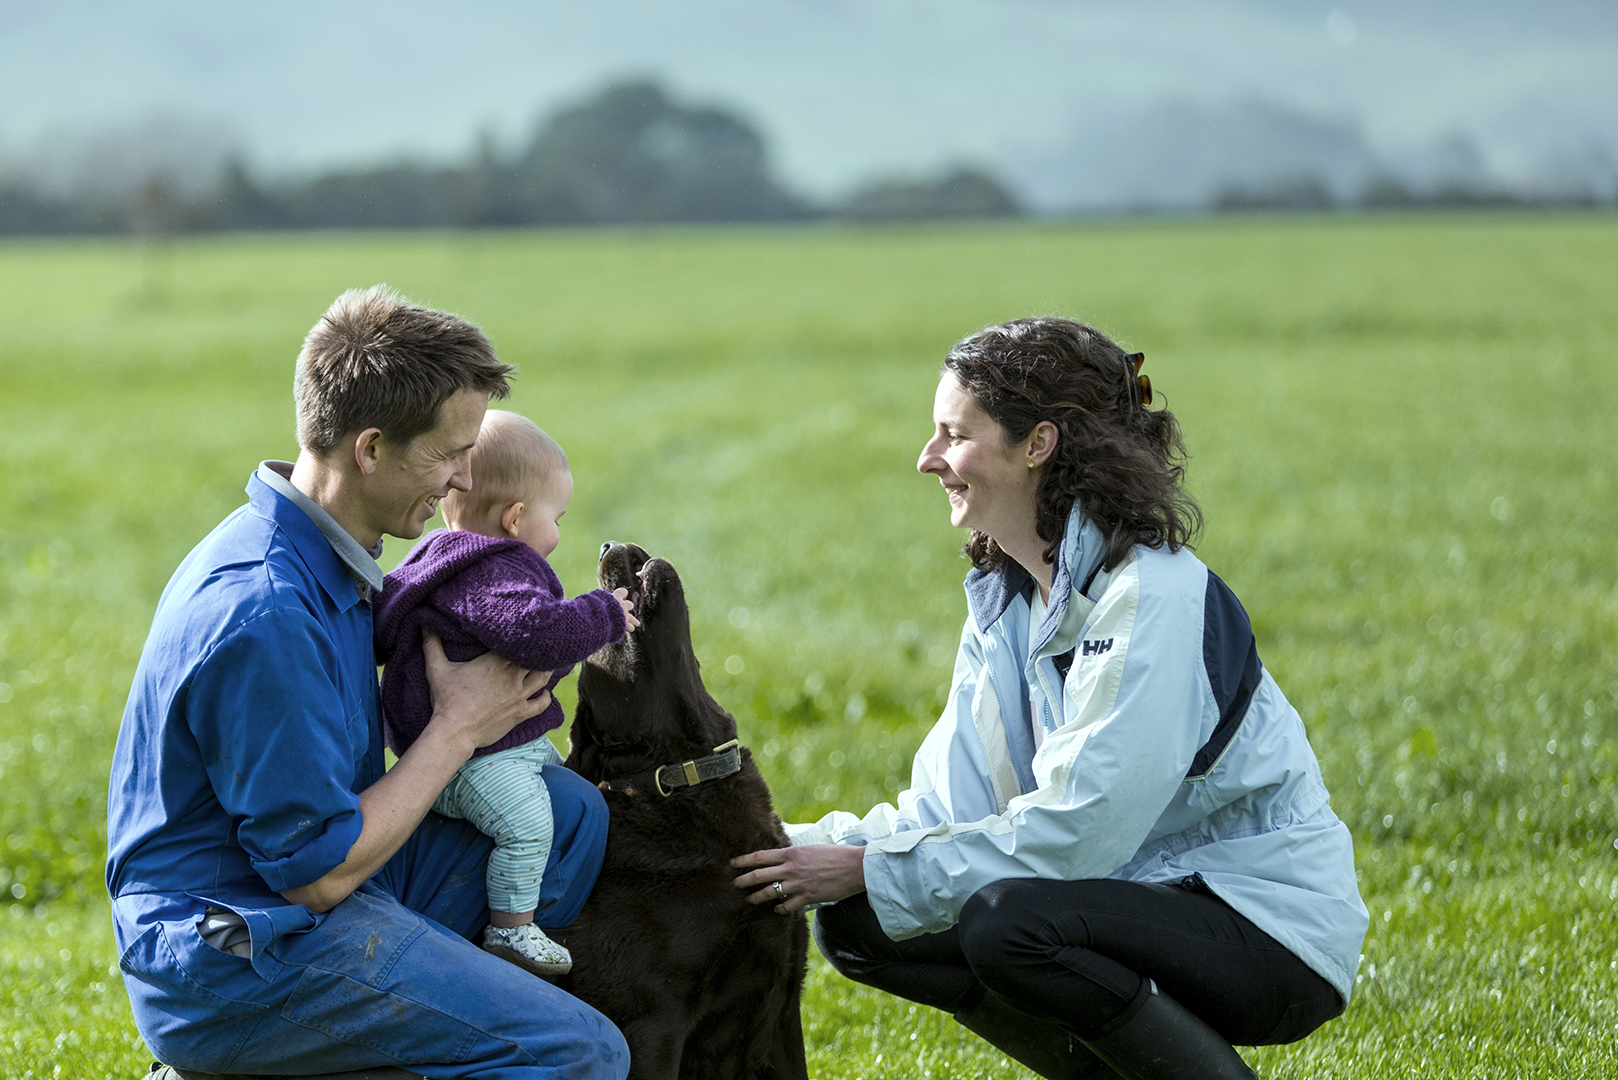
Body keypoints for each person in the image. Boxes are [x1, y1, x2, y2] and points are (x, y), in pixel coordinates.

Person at [731, 317, 1367, 1080]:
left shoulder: (1153, 595)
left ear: (1038, 445)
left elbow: (1079, 832)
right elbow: (945, 815)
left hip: (1266, 929)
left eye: (953, 435)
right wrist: (751, 849)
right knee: (861, 923)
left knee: (1009, 923)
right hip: (1130, 899)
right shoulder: (1008, 602)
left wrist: (867, 867)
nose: (927, 458)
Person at [107, 285, 629, 1080]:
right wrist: (460, 724)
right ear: (371, 448)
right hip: (242, 952)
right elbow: (316, 875)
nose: (461, 481)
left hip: (298, 890)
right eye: (448, 454)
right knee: (580, 1053)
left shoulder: (318, 554)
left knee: (567, 815)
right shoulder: (268, 613)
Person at [375, 410, 639, 976]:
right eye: (558, 518)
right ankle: (511, 929)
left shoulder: (438, 558)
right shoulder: (496, 570)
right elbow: (536, 634)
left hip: (462, 752)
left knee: (556, 786)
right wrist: (603, 612)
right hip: (474, 759)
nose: (559, 534)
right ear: (516, 518)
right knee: (529, 823)